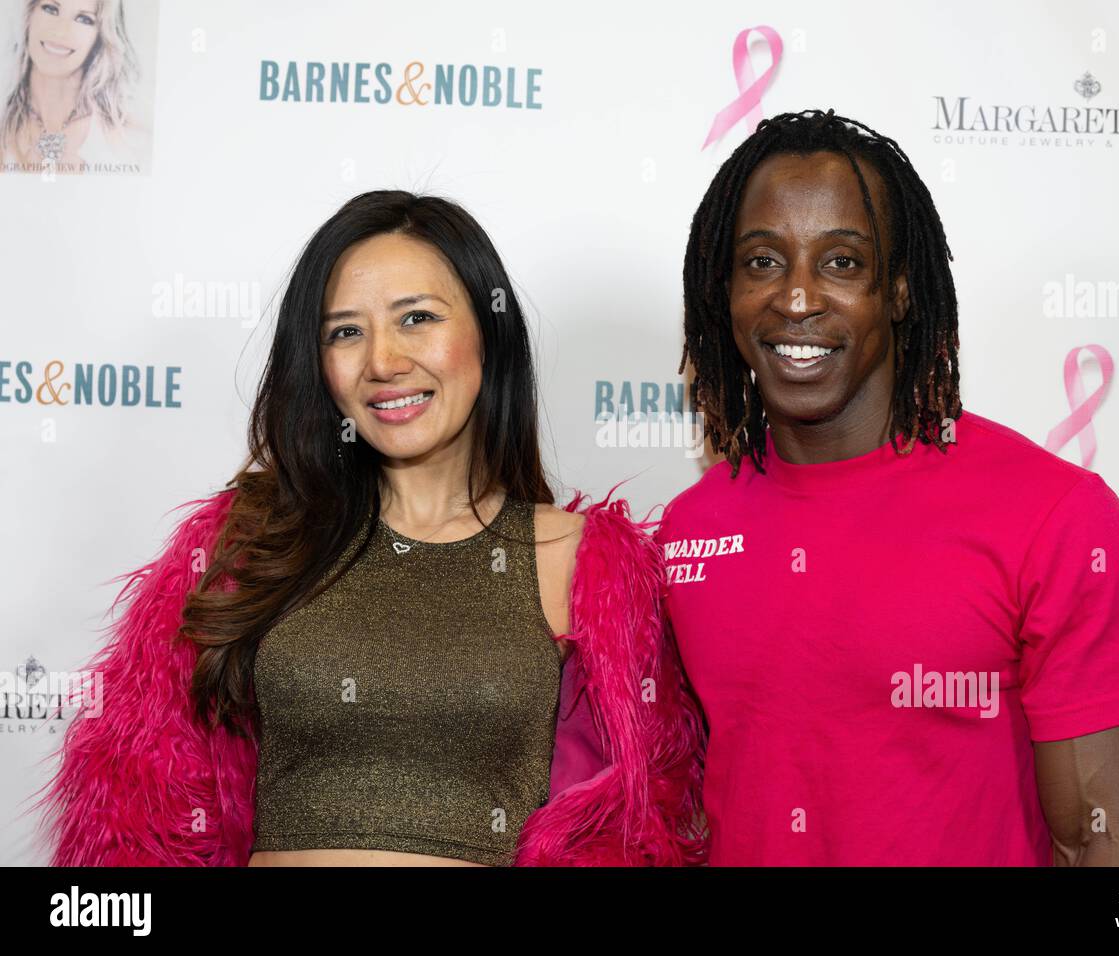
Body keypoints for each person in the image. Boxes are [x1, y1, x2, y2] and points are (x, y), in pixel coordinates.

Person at [27, 190, 707, 866]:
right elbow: (143, 805)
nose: (383, 361)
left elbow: (640, 822)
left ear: (489, 334)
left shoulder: (584, 561)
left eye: (417, 318)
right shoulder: (251, 545)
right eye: (345, 332)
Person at [658, 108, 1119, 866]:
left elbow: (1102, 847)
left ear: (900, 291)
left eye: (842, 263)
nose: (797, 299)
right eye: (763, 262)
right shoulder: (687, 529)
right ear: (724, 293)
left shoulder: (1055, 517)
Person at [0, 0, 149, 172]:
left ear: (100, 37)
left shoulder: (128, 142)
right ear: (29, 15)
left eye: (84, 19)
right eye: (51, 9)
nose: (60, 32)